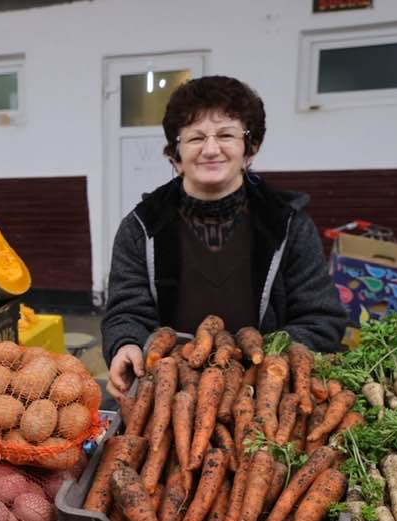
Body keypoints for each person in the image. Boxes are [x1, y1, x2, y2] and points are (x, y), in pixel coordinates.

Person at [101, 75, 346, 398]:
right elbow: (126, 311)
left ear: (250, 150)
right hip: (168, 393)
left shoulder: (288, 225)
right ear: (176, 155)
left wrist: (264, 365)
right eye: (195, 138)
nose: (211, 149)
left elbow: (320, 317)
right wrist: (126, 344)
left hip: (263, 398)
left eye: (227, 135)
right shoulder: (141, 227)